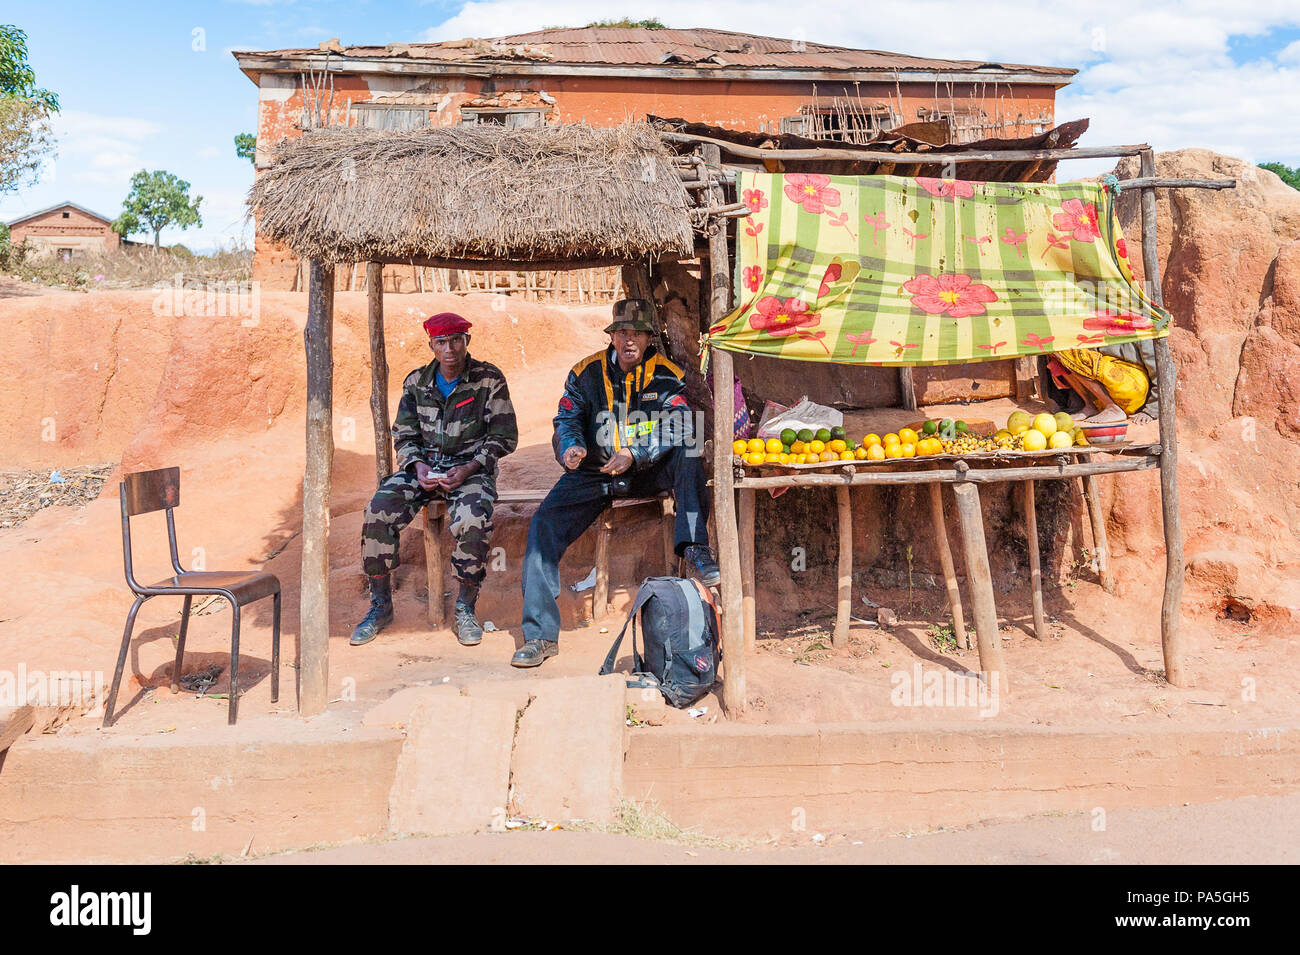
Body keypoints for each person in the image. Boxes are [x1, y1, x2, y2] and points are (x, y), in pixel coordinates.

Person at [511, 298, 720, 668]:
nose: (629, 340)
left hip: (645, 470)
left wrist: (636, 454)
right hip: (595, 472)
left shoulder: (667, 374)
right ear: (612, 335)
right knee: (543, 524)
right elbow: (566, 418)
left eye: (637, 333)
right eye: (623, 332)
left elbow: (679, 424)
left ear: (648, 337)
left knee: (689, 449)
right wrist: (571, 447)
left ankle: (694, 550)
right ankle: (540, 635)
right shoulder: (585, 373)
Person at [351, 312, 517, 648]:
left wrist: (469, 468)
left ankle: (464, 608)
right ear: (431, 345)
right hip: (425, 470)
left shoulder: (488, 379)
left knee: (473, 520)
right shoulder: (415, 383)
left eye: (456, 339)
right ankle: (380, 605)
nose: (450, 348)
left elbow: (504, 436)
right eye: (441, 341)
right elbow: (405, 435)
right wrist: (416, 466)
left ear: (466, 341)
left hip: (470, 471)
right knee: (378, 510)